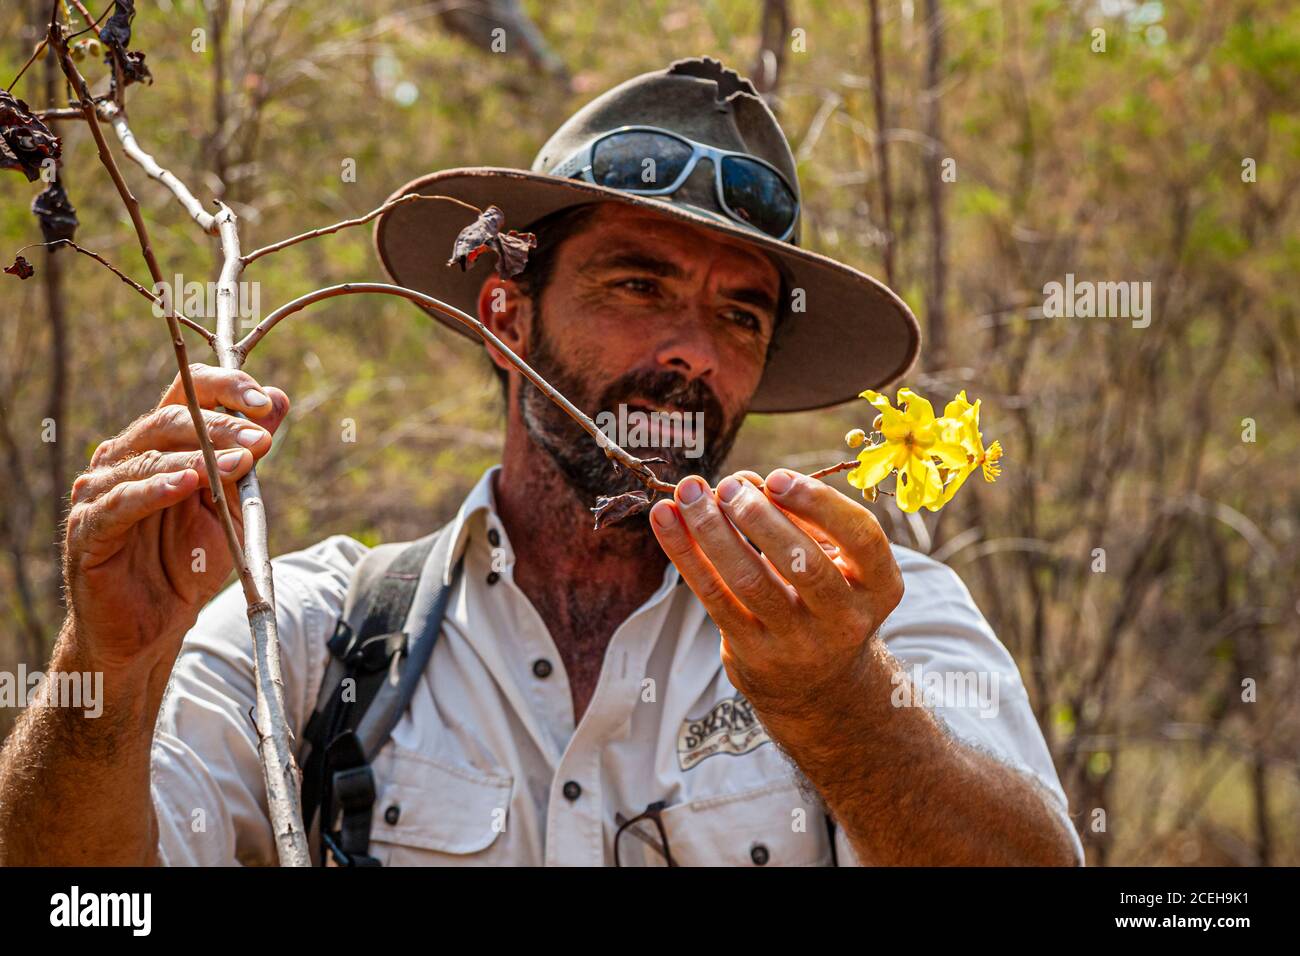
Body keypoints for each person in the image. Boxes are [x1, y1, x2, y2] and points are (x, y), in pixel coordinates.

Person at [0, 57, 1082, 866]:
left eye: (740, 316)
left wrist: (840, 702)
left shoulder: (879, 619)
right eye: (637, 286)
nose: (691, 357)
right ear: (506, 318)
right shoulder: (304, 632)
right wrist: (109, 674)